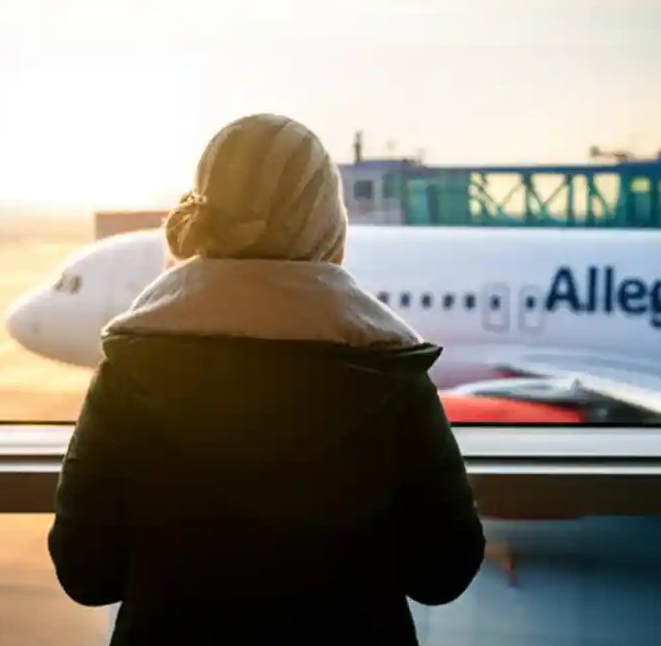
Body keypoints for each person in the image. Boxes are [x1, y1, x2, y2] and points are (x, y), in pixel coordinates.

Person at [48, 113, 486, 645]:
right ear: (328, 227)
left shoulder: (131, 372)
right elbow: (443, 573)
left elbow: (86, 572)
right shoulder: (391, 377)